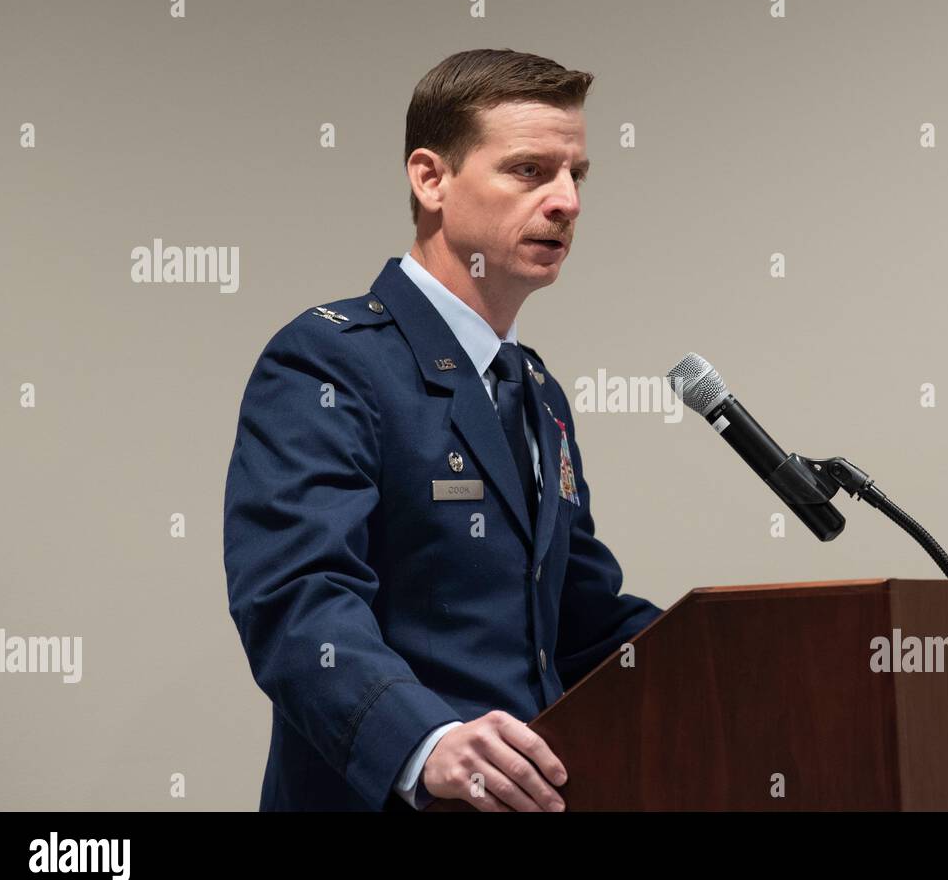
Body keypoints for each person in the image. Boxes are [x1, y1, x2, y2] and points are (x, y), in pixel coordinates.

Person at [222, 48, 663, 812]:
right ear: (431, 179)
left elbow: (580, 622)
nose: (567, 201)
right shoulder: (329, 360)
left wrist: (756, 659)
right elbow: (298, 600)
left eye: (576, 175)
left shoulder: (537, 390)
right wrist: (425, 742)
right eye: (530, 171)